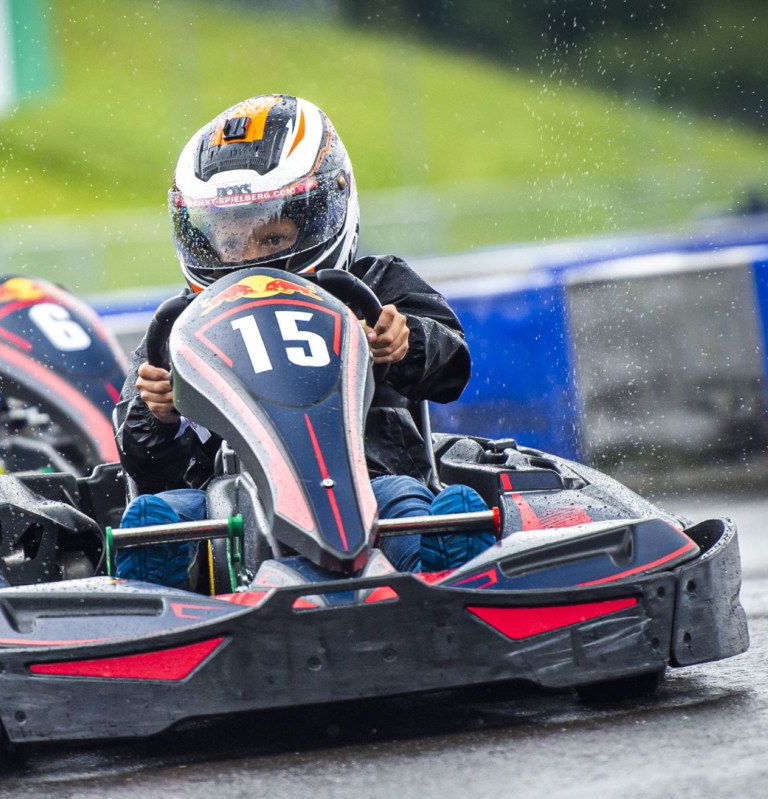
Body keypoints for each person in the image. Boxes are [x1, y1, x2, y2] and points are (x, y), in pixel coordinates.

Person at [115, 94, 492, 587]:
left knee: (408, 503)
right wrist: (158, 414)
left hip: (370, 481)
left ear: (323, 212)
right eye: (230, 242)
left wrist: (406, 344)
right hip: (229, 496)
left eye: (271, 239)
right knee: (160, 517)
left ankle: (444, 572)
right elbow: (139, 456)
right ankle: (154, 601)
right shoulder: (181, 325)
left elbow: (453, 365)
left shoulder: (375, 285)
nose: (247, 257)